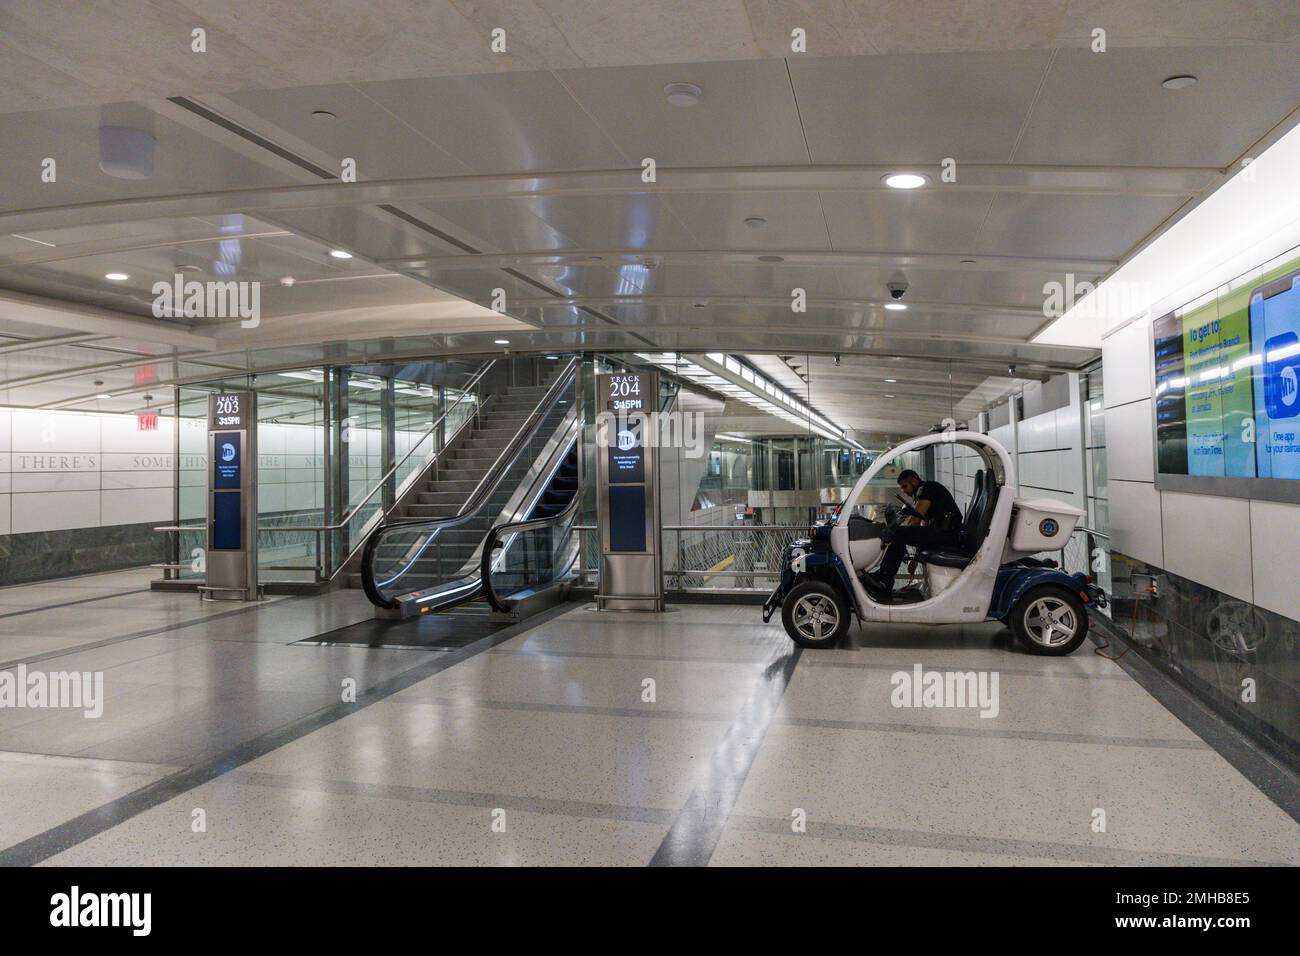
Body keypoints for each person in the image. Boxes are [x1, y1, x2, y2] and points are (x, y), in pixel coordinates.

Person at [864, 469, 963, 597]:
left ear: (914, 481)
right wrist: (915, 560)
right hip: (942, 533)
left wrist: (900, 529)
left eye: (905, 486)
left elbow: (915, 521)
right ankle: (884, 577)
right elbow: (922, 529)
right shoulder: (925, 492)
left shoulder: (927, 489)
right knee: (900, 533)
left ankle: (885, 579)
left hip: (946, 534)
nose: (904, 491)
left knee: (899, 533)